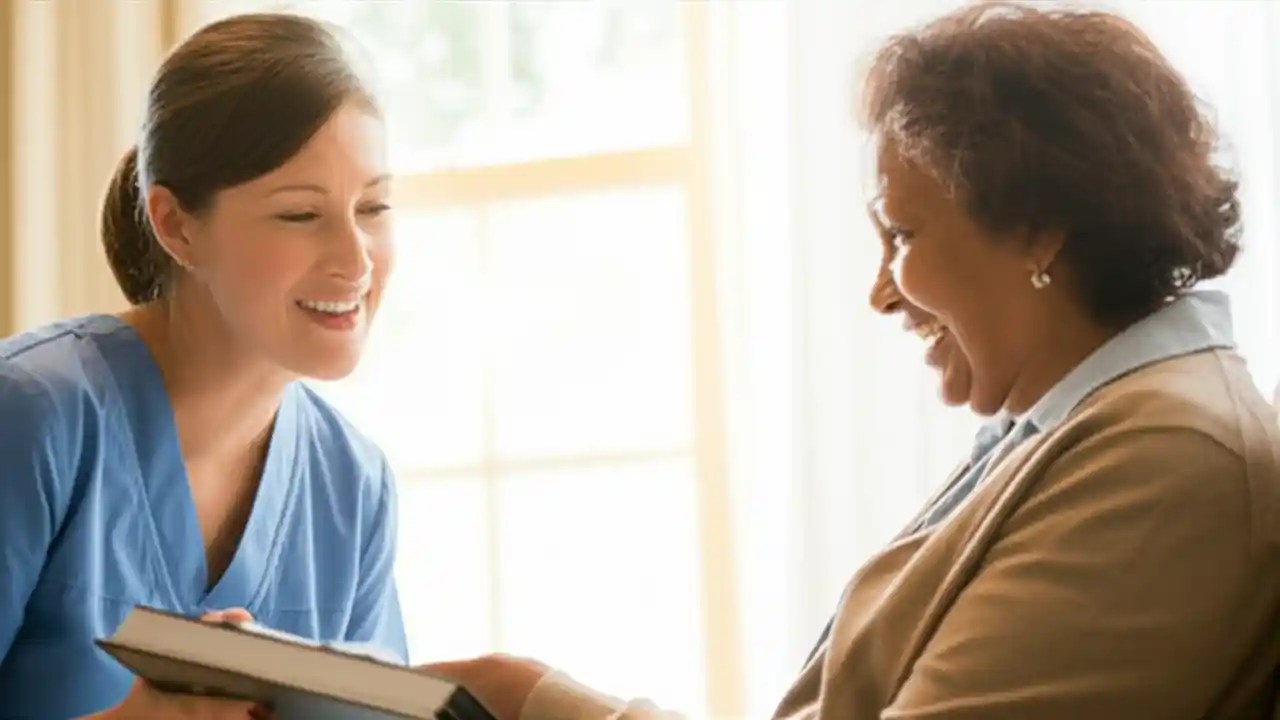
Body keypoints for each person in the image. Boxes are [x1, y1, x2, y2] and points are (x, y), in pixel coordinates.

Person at [420, 3, 1280, 719]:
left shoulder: (1169, 455)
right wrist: (527, 697)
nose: (880, 292)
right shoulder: (1085, 428)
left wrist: (546, 705)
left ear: (1038, 227)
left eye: (902, 235)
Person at [0, 13, 406, 719]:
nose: (356, 259)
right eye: (299, 215)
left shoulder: (353, 488)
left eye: (373, 206)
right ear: (178, 225)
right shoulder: (32, 416)